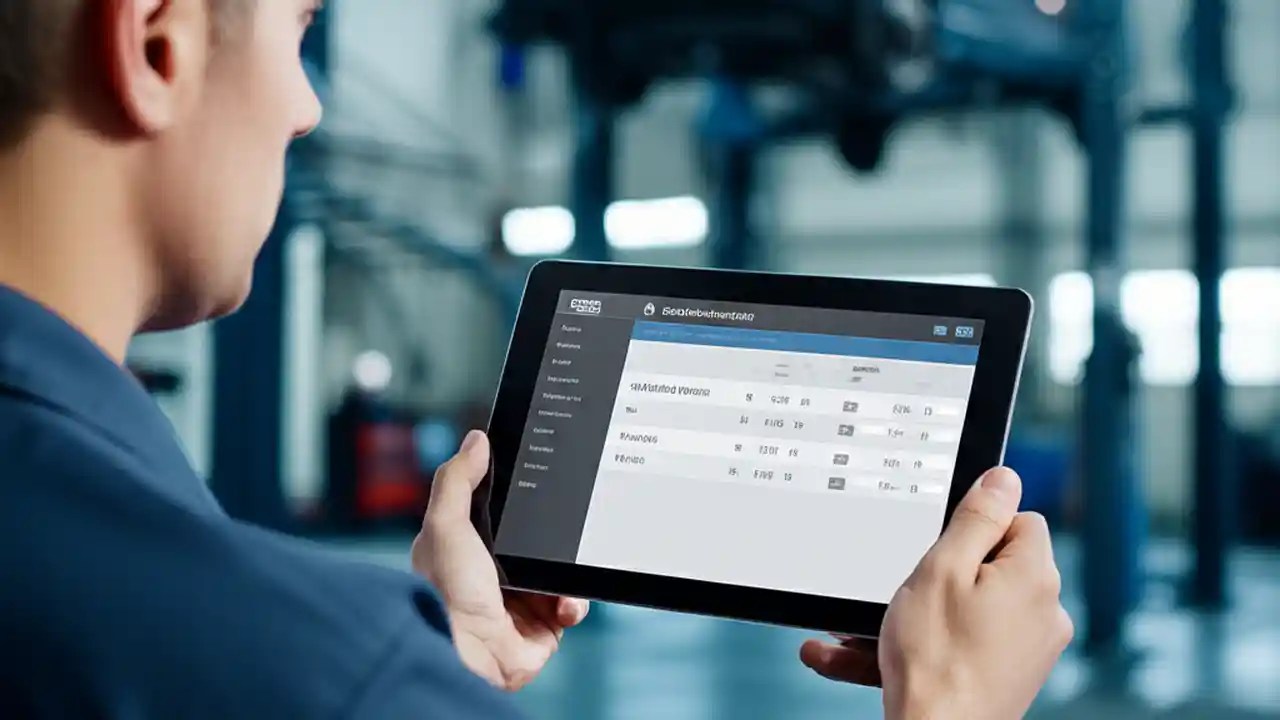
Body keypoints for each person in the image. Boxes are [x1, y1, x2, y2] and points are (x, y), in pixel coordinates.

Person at [0, 0, 1073, 717]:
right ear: (155, 43)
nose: (308, 106)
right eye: (298, 28)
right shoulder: (296, 663)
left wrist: (444, 668)